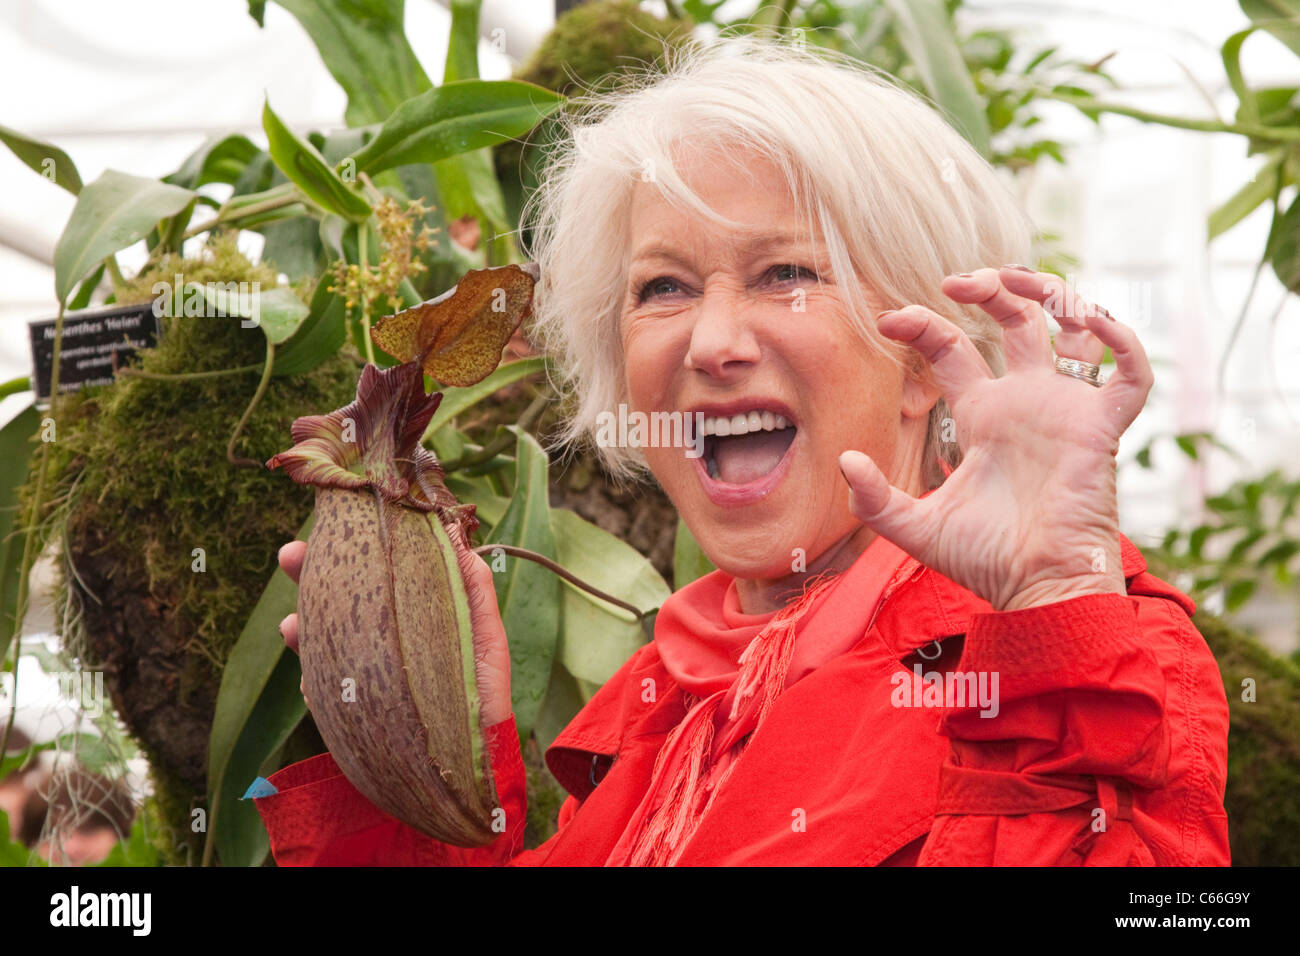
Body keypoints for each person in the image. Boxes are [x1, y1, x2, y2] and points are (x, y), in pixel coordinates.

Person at [254, 35, 1230, 866]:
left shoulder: (1073, 663)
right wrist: (420, 743)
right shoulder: (668, 702)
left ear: (928, 357)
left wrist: (1054, 599)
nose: (712, 340)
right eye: (663, 288)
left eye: (785, 274)